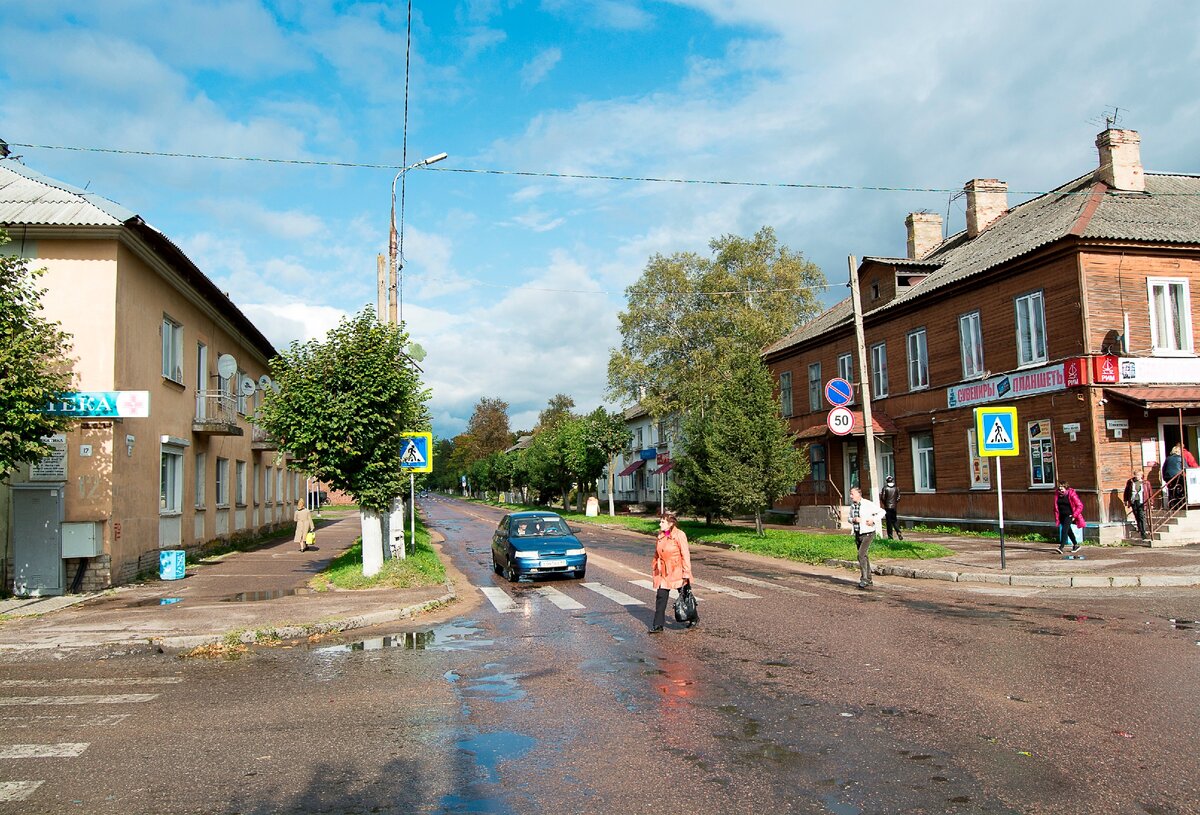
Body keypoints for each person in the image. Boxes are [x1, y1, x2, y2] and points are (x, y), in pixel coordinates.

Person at [650, 512, 694, 633]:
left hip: (677, 570)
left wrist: (686, 572)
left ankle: (693, 618)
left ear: (670, 524)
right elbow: (657, 552)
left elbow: (685, 554)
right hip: (664, 571)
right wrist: (655, 564)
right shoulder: (661, 535)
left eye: (662, 522)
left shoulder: (679, 535)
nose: (660, 524)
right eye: (660, 521)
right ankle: (658, 625)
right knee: (661, 596)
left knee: (685, 596)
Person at [845, 486, 886, 589]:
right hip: (858, 533)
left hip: (868, 533)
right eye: (850, 494)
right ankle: (869, 579)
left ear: (859, 494)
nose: (850, 496)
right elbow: (849, 518)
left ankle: (864, 579)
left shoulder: (867, 504)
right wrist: (853, 519)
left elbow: (882, 512)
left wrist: (873, 519)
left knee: (861, 555)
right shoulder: (852, 506)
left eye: (852, 494)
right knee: (864, 556)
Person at [1052, 482, 1085, 554]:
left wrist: (1074, 515)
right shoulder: (1057, 494)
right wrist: (1057, 515)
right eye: (1059, 487)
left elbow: (1080, 506)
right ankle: (1076, 545)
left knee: (1064, 530)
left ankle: (1061, 547)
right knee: (1068, 531)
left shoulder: (1071, 494)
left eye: (1062, 487)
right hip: (1061, 515)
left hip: (1069, 515)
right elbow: (1056, 506)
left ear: (1066, 487)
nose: (1060, 488)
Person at [1123, 471, 1148, 541]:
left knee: (1141, 515)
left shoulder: (1145, 483)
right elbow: (1127, 491)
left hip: (1142, 501)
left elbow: (1149, 492)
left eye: (1138, 475)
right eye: (1136, 475)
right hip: (1134, 500)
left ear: (1141, 475)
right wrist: (1125, 500)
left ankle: (1143, 532)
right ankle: (1139, 528)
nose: (1137, 476)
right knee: (1136, 514)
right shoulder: (1130, 482)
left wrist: (1151, 503)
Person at [879, 476, 902, 540]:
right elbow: (899, 497)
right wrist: (895, 503)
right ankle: (898, 532)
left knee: (888, 522)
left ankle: (890, 536)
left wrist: (885, 503)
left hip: (887, 507)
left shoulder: (885, 488)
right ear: (892, 481)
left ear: (887, 481)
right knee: (894, 521)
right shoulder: (896, 488)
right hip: (894, 507)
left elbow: (883, 498)